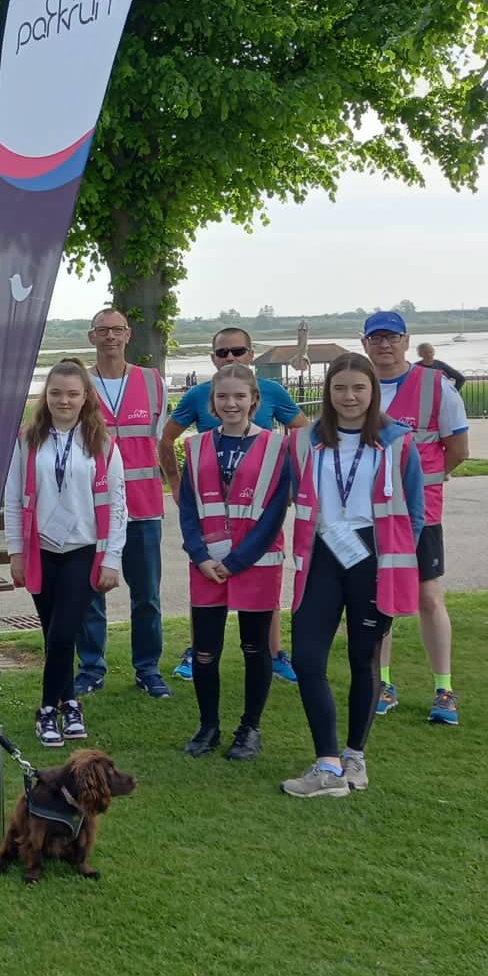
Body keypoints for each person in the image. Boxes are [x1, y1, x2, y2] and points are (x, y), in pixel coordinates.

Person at [279, 354, 425, 798]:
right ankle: (326, 765)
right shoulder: (304, 442)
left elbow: (414, 514)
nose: (349, 397)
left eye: (358, 388)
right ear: (328, 393)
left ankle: (354, 757)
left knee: (365, 659)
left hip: (373, 559)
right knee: (306, 658)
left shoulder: (399, 442)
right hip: (322, 555)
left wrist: (395, 565)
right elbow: (287, 495)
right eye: (340, 388)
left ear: (372, 392)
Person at [159, 326, 307, 685]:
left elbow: (303, 431)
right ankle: (197, 652)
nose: (231, 358)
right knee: (205, 586)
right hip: (211, 508)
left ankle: (274, 652)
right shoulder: (199, 394)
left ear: (251, 354)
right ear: (212, 357)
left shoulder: (272, 391)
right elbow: (167, 437)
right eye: (223, 353)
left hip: (255, 510)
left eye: (238, 351)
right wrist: (176, 482)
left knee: (261, 588)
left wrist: (291, 484)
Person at [174, 364, 295, 762]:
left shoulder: (279, 447)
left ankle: (250, 728)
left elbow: (276, 510)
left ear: (254, 400)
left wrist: (240, 559)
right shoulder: (194, 447)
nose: (231, 403)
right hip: (207, 562)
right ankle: (208, 725)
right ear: (212, 402)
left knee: (255, 648)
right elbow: (189, 508)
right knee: (205, 651)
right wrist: (199, 554)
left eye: (239, 396)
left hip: (256, 562)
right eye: (223, 397)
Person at [4, 359, 126, 747]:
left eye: (73, 393)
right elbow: (12, 499)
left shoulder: (102, 442)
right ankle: (70, 701)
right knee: (54, 633)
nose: (64, 400)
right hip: (41, 550)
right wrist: (15, 552)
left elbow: (119, 504)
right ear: (46, 396)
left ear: (86, 396)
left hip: (83, 549)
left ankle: (46, 711)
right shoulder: (28, 439)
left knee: (63, 633)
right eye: (56, 393)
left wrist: (112, 558)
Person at [362, 312, 472, 726]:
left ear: (406, 341)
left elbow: (457, 448)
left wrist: (429, 482)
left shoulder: (434, 385)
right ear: (365, 343)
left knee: (428, 596)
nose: (384, 345)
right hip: (368, 511)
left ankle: (444, 689)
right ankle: (382, 684)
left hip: (419, 511)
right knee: (378, 596)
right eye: (376, 338)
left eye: (391, 337)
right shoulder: (358, 385)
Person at [79, 307, 172, 698]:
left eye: (117, 330)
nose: (111, 337)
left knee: (147, 595)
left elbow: (161, 439)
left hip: (144, 506)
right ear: (92, 337)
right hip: (93, 509)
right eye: (104, 331)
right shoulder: (79, 384)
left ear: (129, 335)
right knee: (90, 594)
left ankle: (147, 668)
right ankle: (90, 668)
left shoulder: (152, 382)